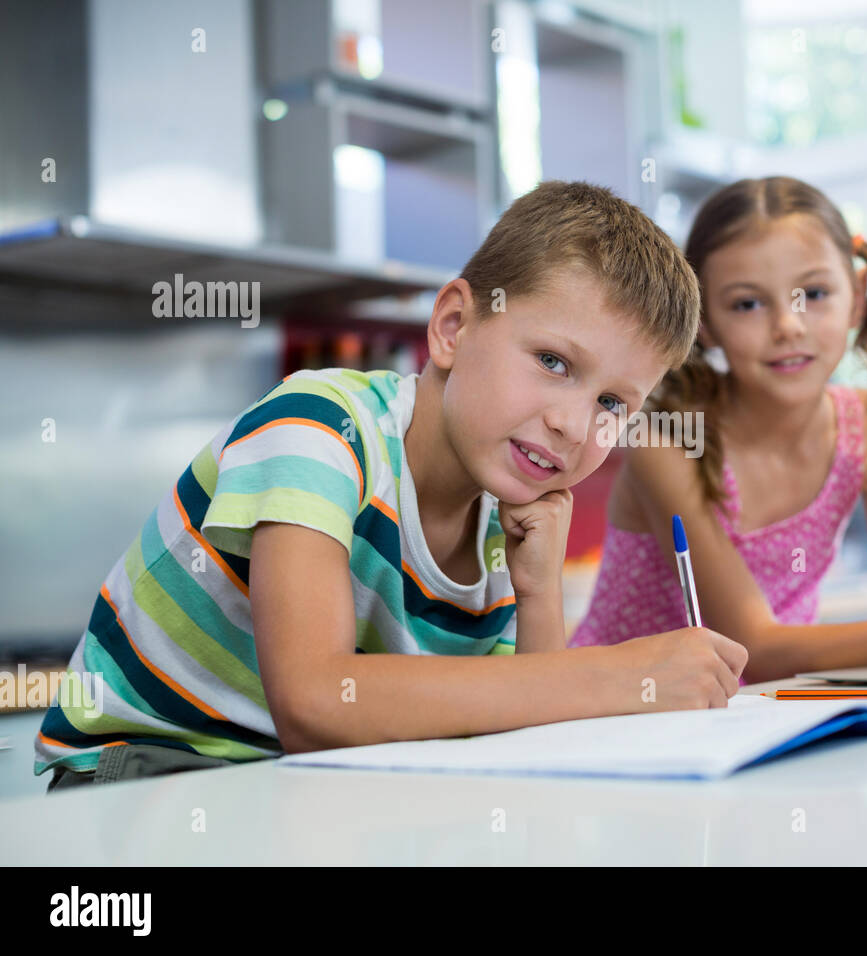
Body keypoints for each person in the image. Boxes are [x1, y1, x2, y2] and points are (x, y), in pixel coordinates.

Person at [38, 181, 748, 791]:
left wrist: (537, 595)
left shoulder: (512, 519)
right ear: (452, 327)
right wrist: (618, 676)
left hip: (297, 786)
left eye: (612, 404)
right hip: (147, 772)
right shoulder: (318, 427)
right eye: (555, 362)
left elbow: (527, 731)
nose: (572, 424)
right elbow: (316, 704)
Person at [570, 176, 867, 684]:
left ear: (857, 298)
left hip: (751, 713)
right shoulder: (668, 440)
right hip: (614, 710)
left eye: (813, 294)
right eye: (747, 304)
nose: (788, 326)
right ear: (702, 320)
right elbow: (752, 644)